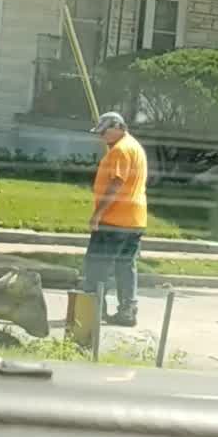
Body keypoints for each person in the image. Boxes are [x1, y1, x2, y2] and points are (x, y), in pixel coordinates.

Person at [82, 110, 147, 328]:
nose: (102, 137)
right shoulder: (134, 146)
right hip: (135, 220)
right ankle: (127, 311)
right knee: (125, 266)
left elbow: (116, 184)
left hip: (114, 220)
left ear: (118, 127)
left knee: (96, 265)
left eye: (104, 132)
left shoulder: (120, 150)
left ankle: (92, 311)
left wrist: (98, 214)